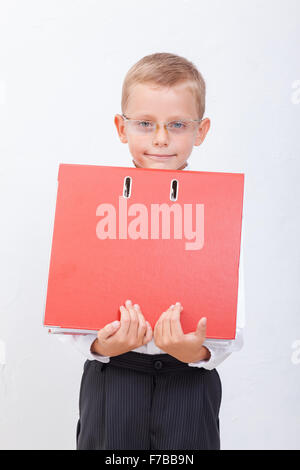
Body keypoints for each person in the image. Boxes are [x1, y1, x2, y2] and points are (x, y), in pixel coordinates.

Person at [57, 52, 245, 450]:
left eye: (177, 125)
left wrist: (197, 349)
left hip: (188, 383)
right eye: (145, 124)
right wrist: (101, 346)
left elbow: (232, 317)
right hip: (114, 380)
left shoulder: (217, 212)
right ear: (121, 129)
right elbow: (71, 308)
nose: (161, 138)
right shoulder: (93, 205)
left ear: (202, 130)